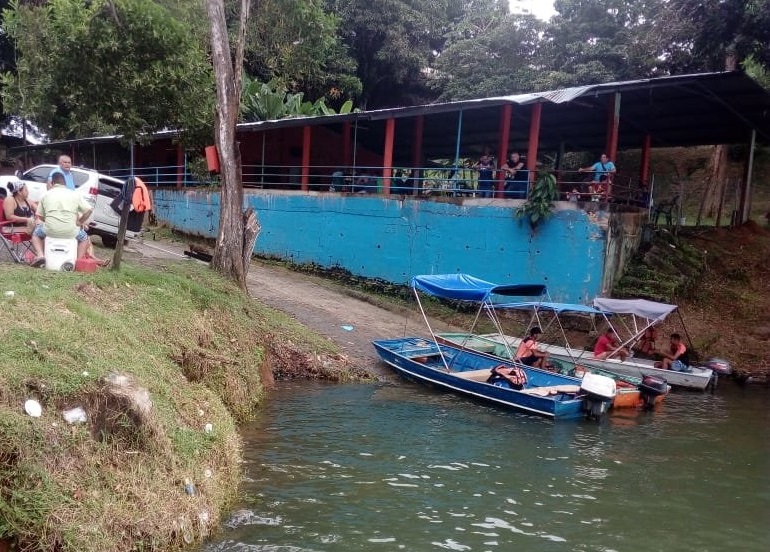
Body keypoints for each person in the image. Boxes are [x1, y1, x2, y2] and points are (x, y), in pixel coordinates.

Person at [31, 170, 108, 267]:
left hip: (50, 230)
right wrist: (80, 222)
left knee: (36, 234)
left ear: (52, 183)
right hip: (71, 231)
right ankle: (78, 261)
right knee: (84, 238)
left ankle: (41, 255)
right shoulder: (74, 194)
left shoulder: (45, 195)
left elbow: (40, 216)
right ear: (65, 183)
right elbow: (89, 210)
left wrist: (50, 221)